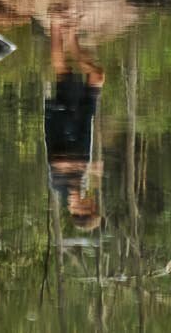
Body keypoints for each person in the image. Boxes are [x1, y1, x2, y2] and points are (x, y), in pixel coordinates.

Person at [43, 15, 107, 231]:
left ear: (80, 210)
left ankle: (55, 26)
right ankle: (71, 37)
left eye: (91, 208)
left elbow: (58, 161)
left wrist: (87, 167)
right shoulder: (83, 185)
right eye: (94, 206)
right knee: (97, 76)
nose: (93, 203)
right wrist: (88, 169)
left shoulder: (60, 188)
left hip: (64, 123)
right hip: (83, 121)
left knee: (64, 73)